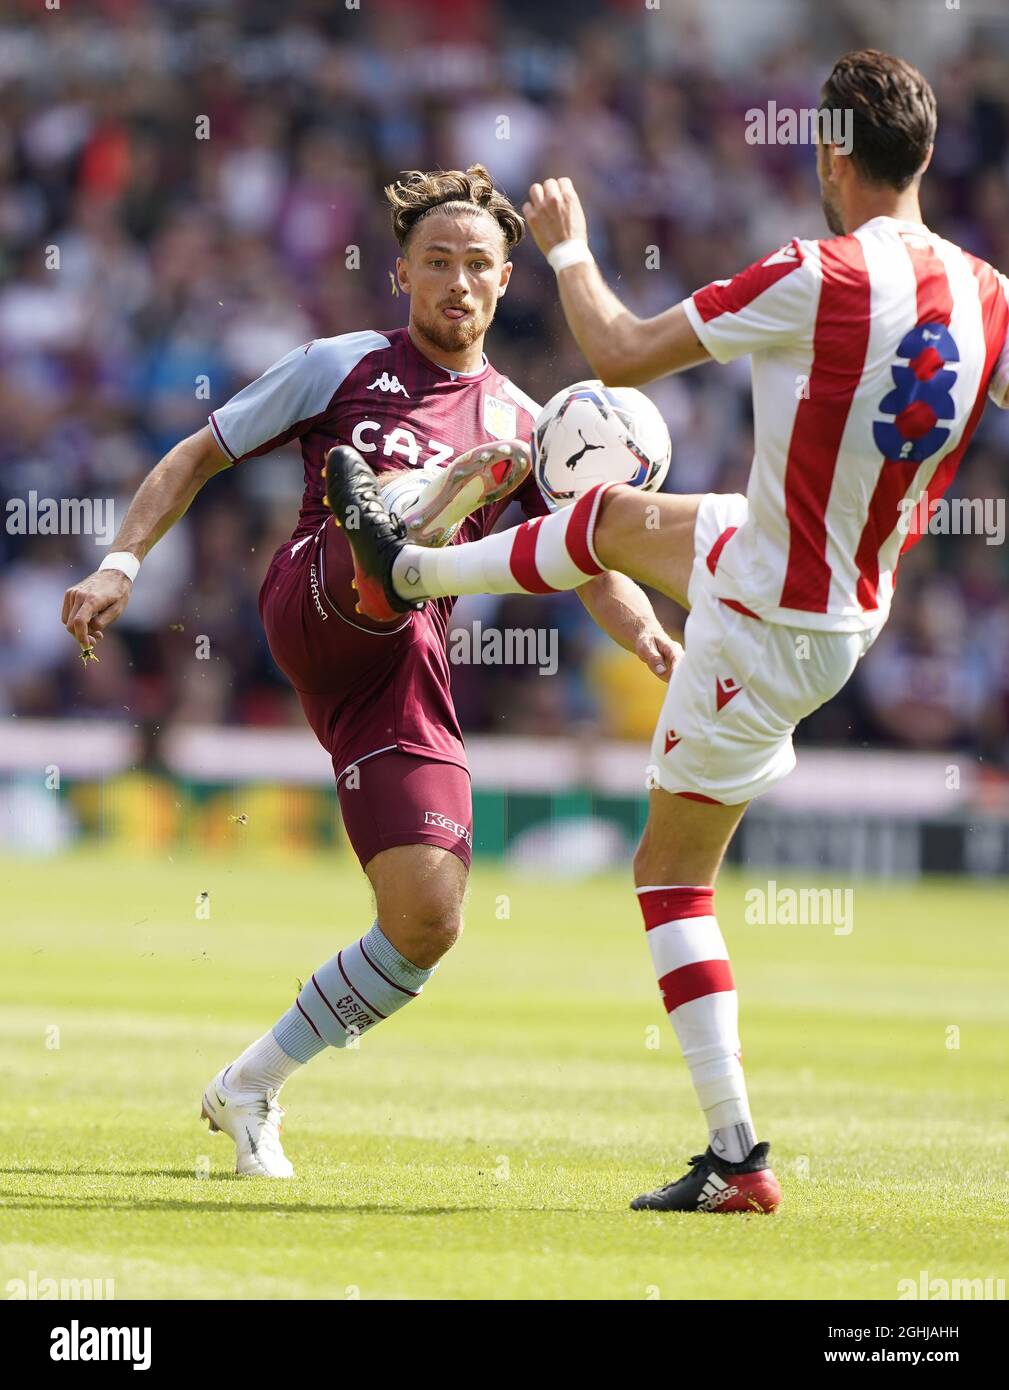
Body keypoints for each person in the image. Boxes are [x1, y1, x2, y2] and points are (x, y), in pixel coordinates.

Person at [328, 52, 1009, 1213]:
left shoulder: (814, 272)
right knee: (612, 517)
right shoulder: (988, 293)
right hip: (817, 583)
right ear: (927, 156)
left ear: (830, 154)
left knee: (667, 874)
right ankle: (414, 560)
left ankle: (739, 1158)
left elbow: (621, 353)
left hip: (765, 624)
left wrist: (568, 247)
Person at [60, 165, 676, 1178]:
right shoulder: (337, 365)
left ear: (506, 279)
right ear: (400, 273)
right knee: (375, 550)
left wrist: (645, 632)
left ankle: (249, 1085)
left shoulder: (528, 424)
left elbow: (584, 561)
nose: (458, 283)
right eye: (437, 263)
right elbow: (193, 457)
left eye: (477, 266)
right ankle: (396, 516)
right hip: (316, 594)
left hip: (403, 666)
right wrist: (120, 559)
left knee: (426, 922)